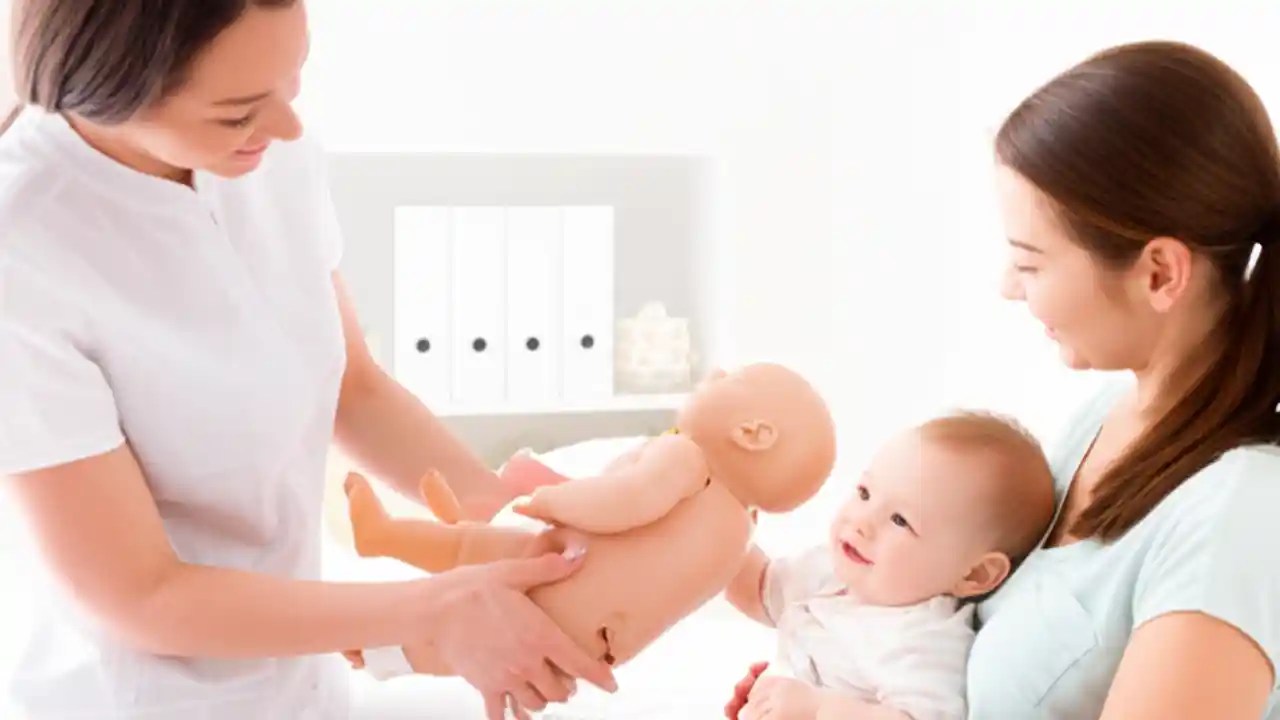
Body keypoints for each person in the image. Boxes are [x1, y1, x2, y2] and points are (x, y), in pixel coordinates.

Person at [0, 2, 615, 719]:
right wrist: (436, 609)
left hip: (300, 691)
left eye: (292, 82)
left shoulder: (270, 153)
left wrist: (516, 522)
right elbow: (142, 592)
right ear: (108, 91)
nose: (288, 128)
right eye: (238, 112)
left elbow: (354, 390)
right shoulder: (25, 246)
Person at [970, 40, 1280, 718]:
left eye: (1031, 264)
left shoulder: (1237, 516)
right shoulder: (1106, 417)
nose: (1007, 288)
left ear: (1160, 273)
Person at [722, 411, 1055, 720]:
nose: (862, 522)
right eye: (865, 493)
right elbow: (755, 588)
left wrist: (817, 708)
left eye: (900, 520)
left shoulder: (923, 639)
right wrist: (719, 512)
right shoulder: (834, 568)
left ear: (973, 574)